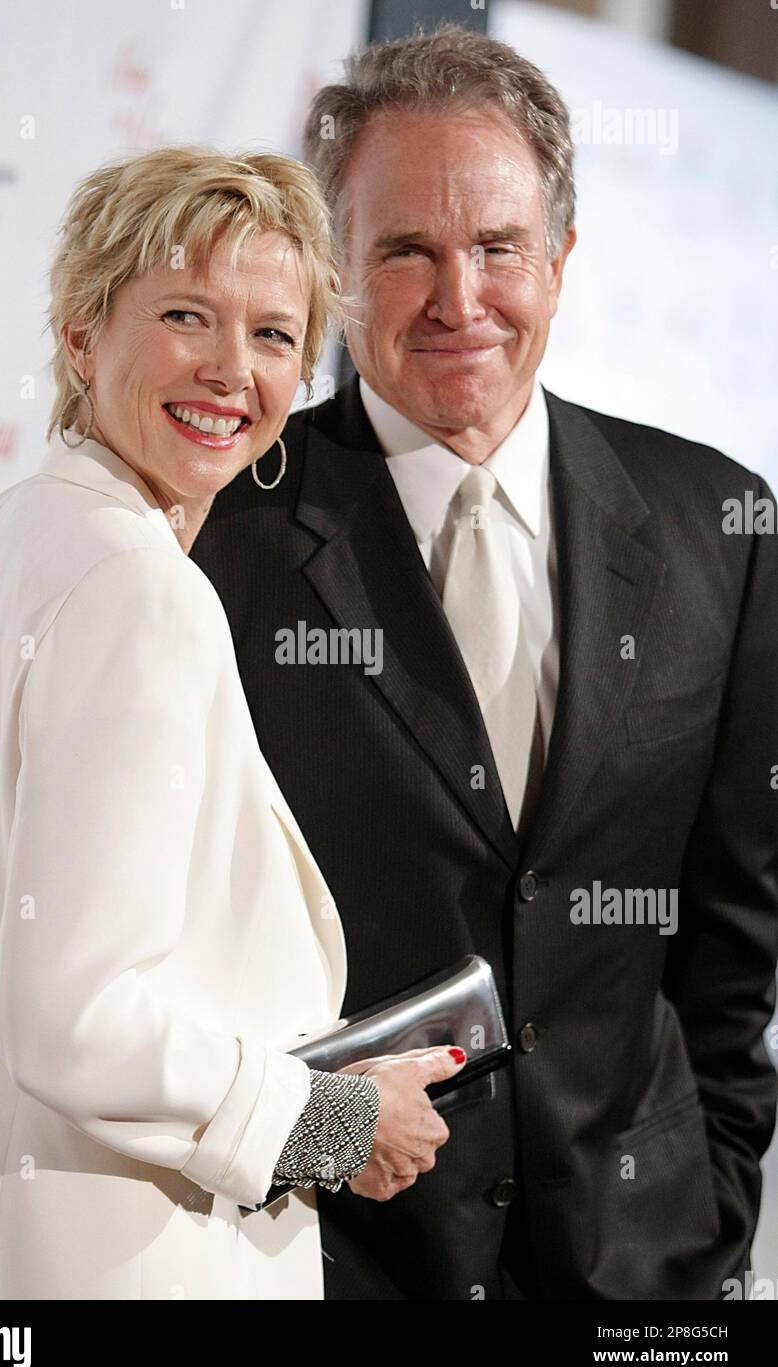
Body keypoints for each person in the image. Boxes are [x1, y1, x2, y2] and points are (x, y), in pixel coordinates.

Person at [193, 27, 778, 1299]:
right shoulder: (221, 533)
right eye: (405, 250)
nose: (459, 299)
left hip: (648, 1269)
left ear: (560, 264)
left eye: (498, 248)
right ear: (338, 274)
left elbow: (733, 939)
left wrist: (714, 1196)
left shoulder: (718, 528)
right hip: (333, 1258)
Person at [0, 146, 466, 1302]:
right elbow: (70, 1018)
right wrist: (327, 1116)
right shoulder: (137, 590)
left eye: (274, 335)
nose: (230, 371)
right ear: (82, 333)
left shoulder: (2, 543)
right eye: (186, 314)